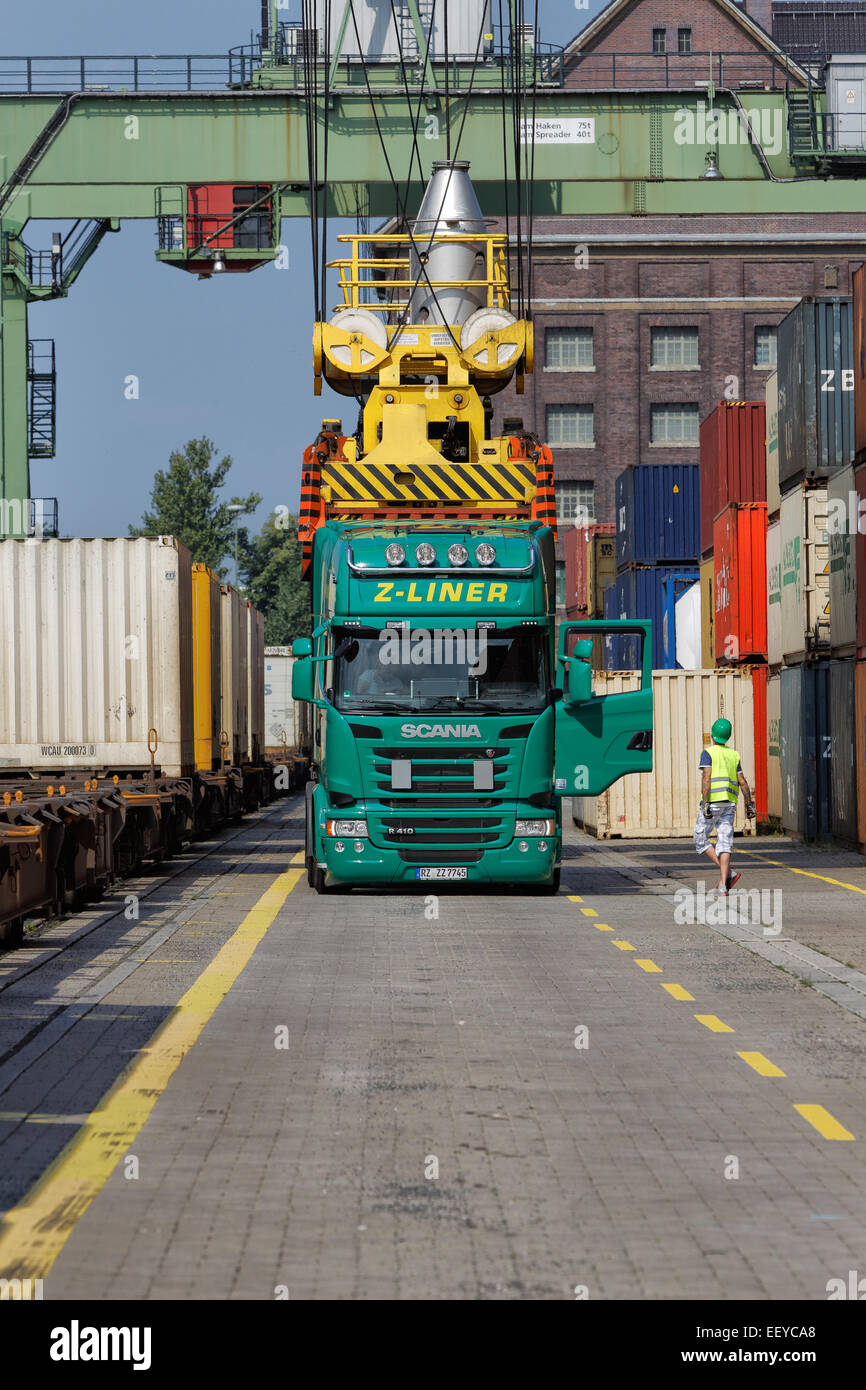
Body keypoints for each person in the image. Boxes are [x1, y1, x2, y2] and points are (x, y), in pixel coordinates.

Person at [693, 717, 756, 895]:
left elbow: (707, 779)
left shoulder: (708, 753)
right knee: (725, 842)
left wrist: (705, 803)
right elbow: (742, 782)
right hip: (729, 803)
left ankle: (728, 873)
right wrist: (749, 804)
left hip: (712, 802)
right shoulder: (734, 754)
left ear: (712, 736)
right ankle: (723, 886)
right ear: (728, 736)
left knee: (700, 837)